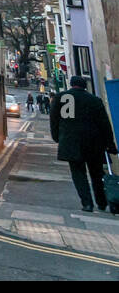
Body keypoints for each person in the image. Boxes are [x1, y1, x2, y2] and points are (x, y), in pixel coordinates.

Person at [49, 76, 119, 213]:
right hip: (93, 143)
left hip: (70, 142)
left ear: (71, 84)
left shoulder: (61, 98)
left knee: (78, 174)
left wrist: (57, 137)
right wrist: (110, 144)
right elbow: (104, 124)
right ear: (84, 86)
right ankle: (102, 202)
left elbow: (54, 120)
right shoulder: (94, 100)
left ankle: (87, 204)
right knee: (97, 174)